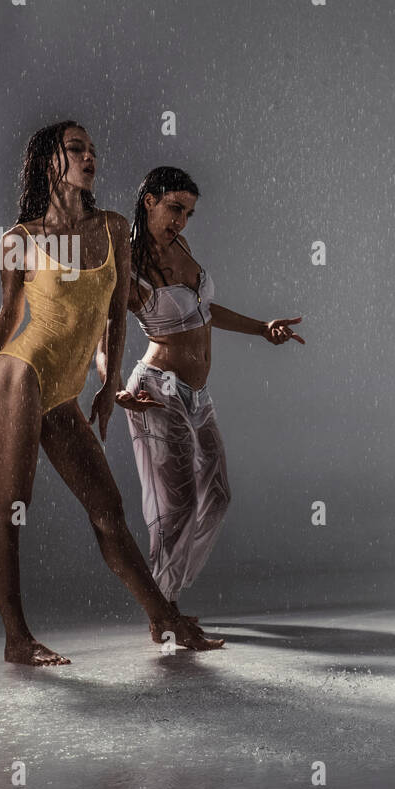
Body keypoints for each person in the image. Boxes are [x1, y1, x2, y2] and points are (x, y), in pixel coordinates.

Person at [0, 121, 224, 665]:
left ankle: (164, 620)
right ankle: (18, 640)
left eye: (93, 150)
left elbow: (114, 317)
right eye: (76, 148)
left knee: (108, 509)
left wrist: (109, 383)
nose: (90, 157)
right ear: (49, 162)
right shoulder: (20, 238)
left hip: (62, 386)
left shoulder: (111, 227)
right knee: (12, 506)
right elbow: (9, 314)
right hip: (17, 372)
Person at [102, 167, 303, 629]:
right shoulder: (128, 263)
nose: (182, 222)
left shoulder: (181, 247)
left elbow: (205, 311)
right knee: (179, 507)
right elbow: (102, 330)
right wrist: (111, 383)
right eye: (175, 209)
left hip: (196, 393)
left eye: (189, 213)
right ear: (148, 200)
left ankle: (164, 591)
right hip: (156, 389)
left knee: (217, 496)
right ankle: (163, 613)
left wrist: (261, 328)